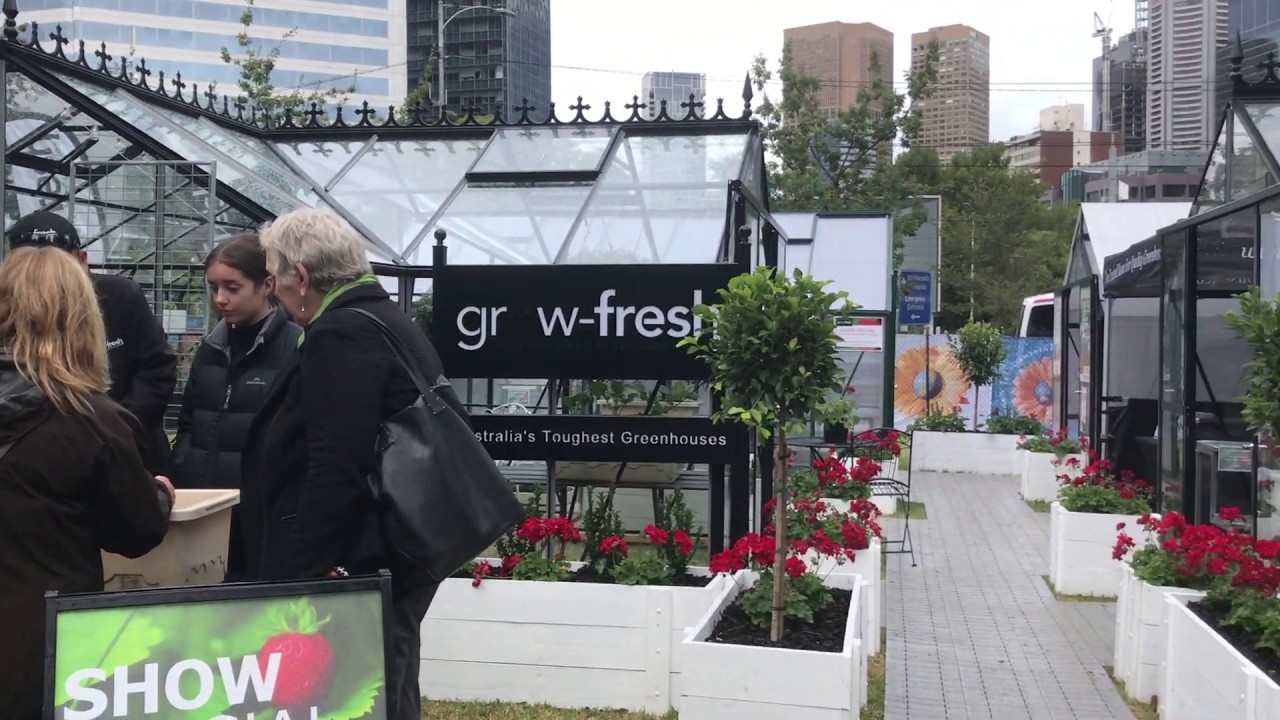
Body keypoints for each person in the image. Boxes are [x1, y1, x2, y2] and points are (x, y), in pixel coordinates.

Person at [244, 208, 456, 720]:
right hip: (403, 541)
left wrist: (301, 573)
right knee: (394, 673)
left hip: (360, 551)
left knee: (365, 685)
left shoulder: (339, 333)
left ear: (302, 277)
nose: (272, 293)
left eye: (271, 279)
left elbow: (337, 462)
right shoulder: (384, 318)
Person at [0, 246, 174, 720]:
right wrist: (159, 494)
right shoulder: (93, 422)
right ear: (82, 319)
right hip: (45, 648)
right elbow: (136, 533)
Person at [5, 211, 178, 475]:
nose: (45, 278)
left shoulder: (119, 296)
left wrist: (116, 428)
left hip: (131, 450)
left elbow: (158, 369)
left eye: (58, 266)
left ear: (82, 260)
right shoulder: (10, 310)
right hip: (45, 456)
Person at [171, 234, 301, 579]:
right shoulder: (211, 350)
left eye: (232, 287)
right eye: (213, 287)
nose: (220, 299)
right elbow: (188, 422)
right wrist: (185, 471)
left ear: (266, 285)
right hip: (203, 512)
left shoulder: (293, 349)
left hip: (259, 516)